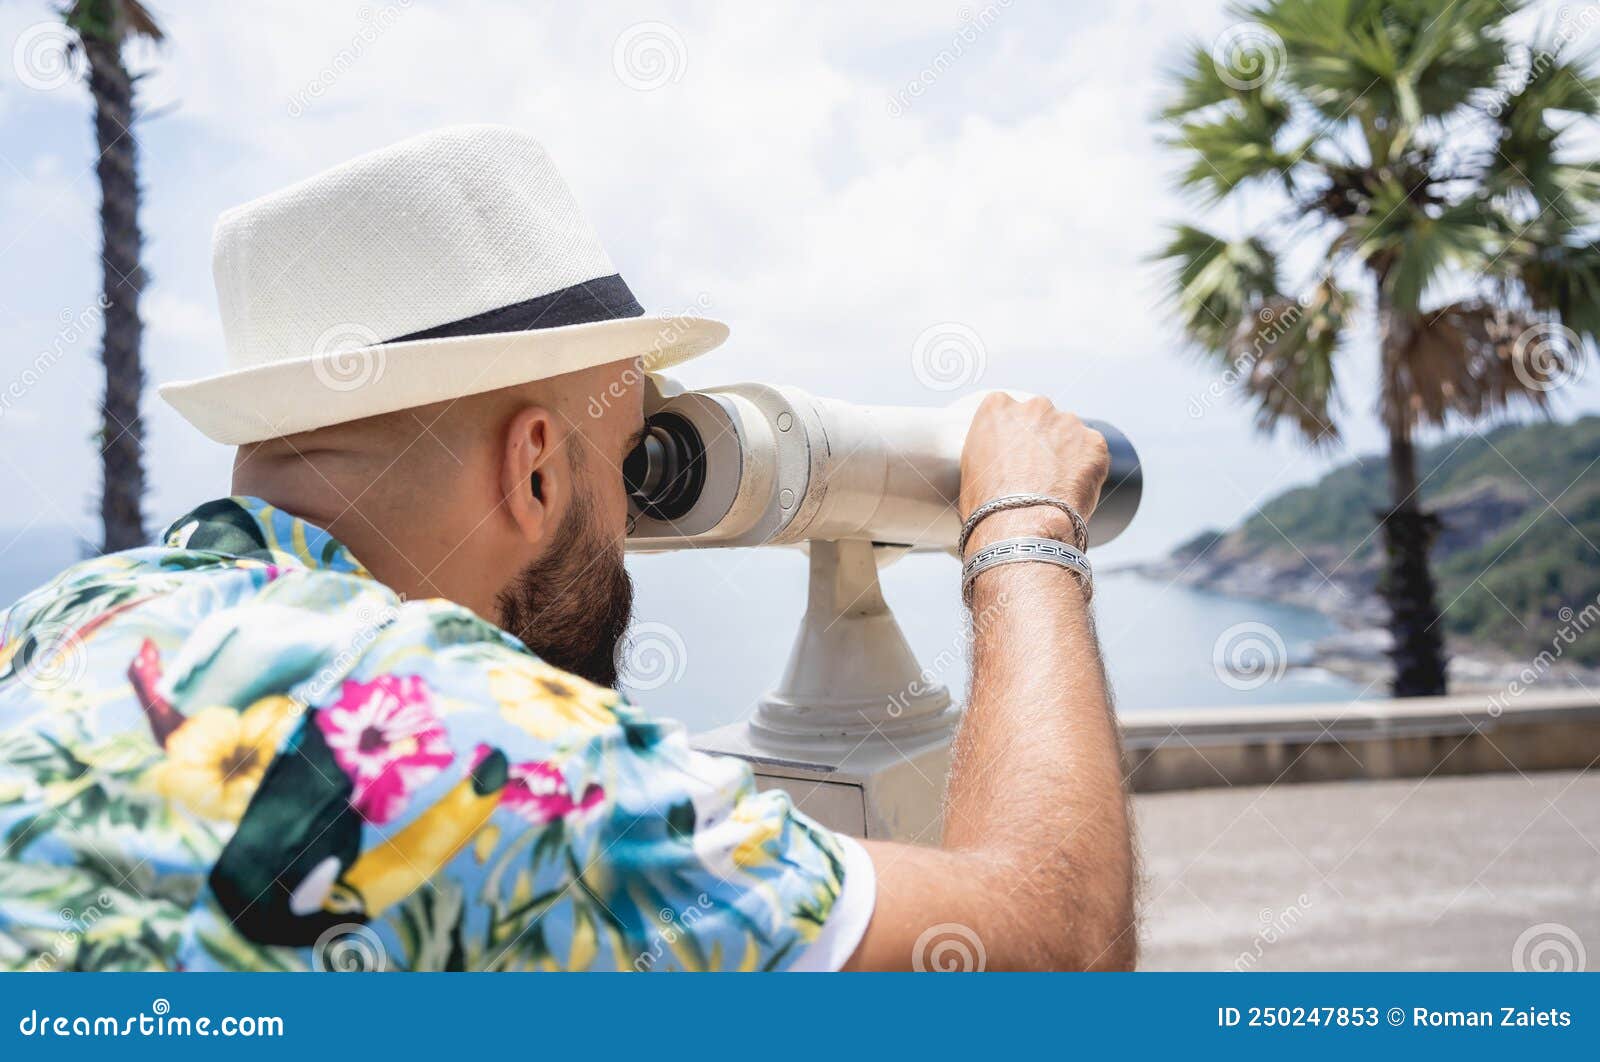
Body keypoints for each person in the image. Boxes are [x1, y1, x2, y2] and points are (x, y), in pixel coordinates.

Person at [0, 126, 1133, 972]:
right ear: (536, 465)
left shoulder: (57, 627)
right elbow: (1055, 951)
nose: (633, 520)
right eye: (628, 458)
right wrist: (1023, 529)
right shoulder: (489, 755)